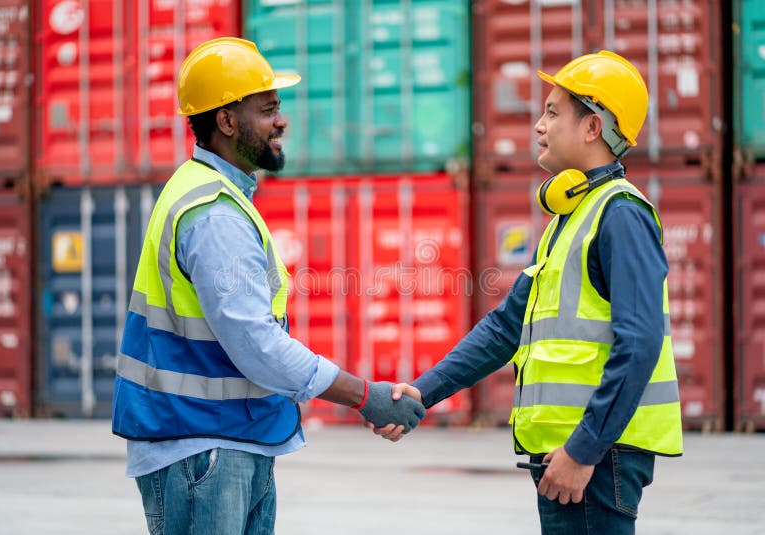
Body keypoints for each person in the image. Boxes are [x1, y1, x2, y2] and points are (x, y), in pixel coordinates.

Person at [111, 37, 425, 535]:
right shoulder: (214, 214)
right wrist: (364, 395)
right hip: (204, 448)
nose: (282, 121)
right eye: (268, 109)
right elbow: (255, 344)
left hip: (221, 441)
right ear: (228, 122)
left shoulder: (210, 194)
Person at [375, 50, 683, 534]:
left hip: (596, 460)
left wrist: (583, 451)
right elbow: (504, 328)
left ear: (592, 127)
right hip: (571, 455)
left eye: (553, 112)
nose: (539, 126)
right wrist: (422, 392)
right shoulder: (572, 217)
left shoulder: (620, 215)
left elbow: (640, 343)